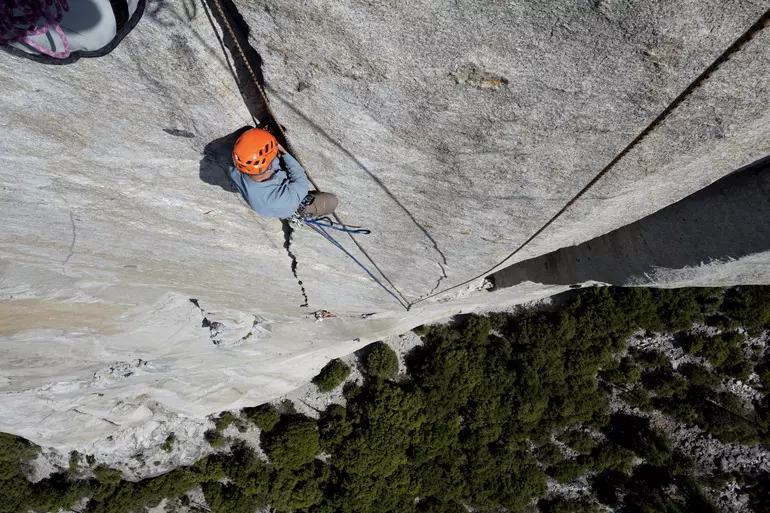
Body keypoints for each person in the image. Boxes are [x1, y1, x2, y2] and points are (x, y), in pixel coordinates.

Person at [228, 128, 338, 219]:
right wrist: (285, 153)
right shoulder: (284, 199)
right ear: (269, 165)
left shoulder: (235, 172)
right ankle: (301, 210)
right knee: (332, 202)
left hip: (265, 205)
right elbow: (300, 179)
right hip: (286, 205)